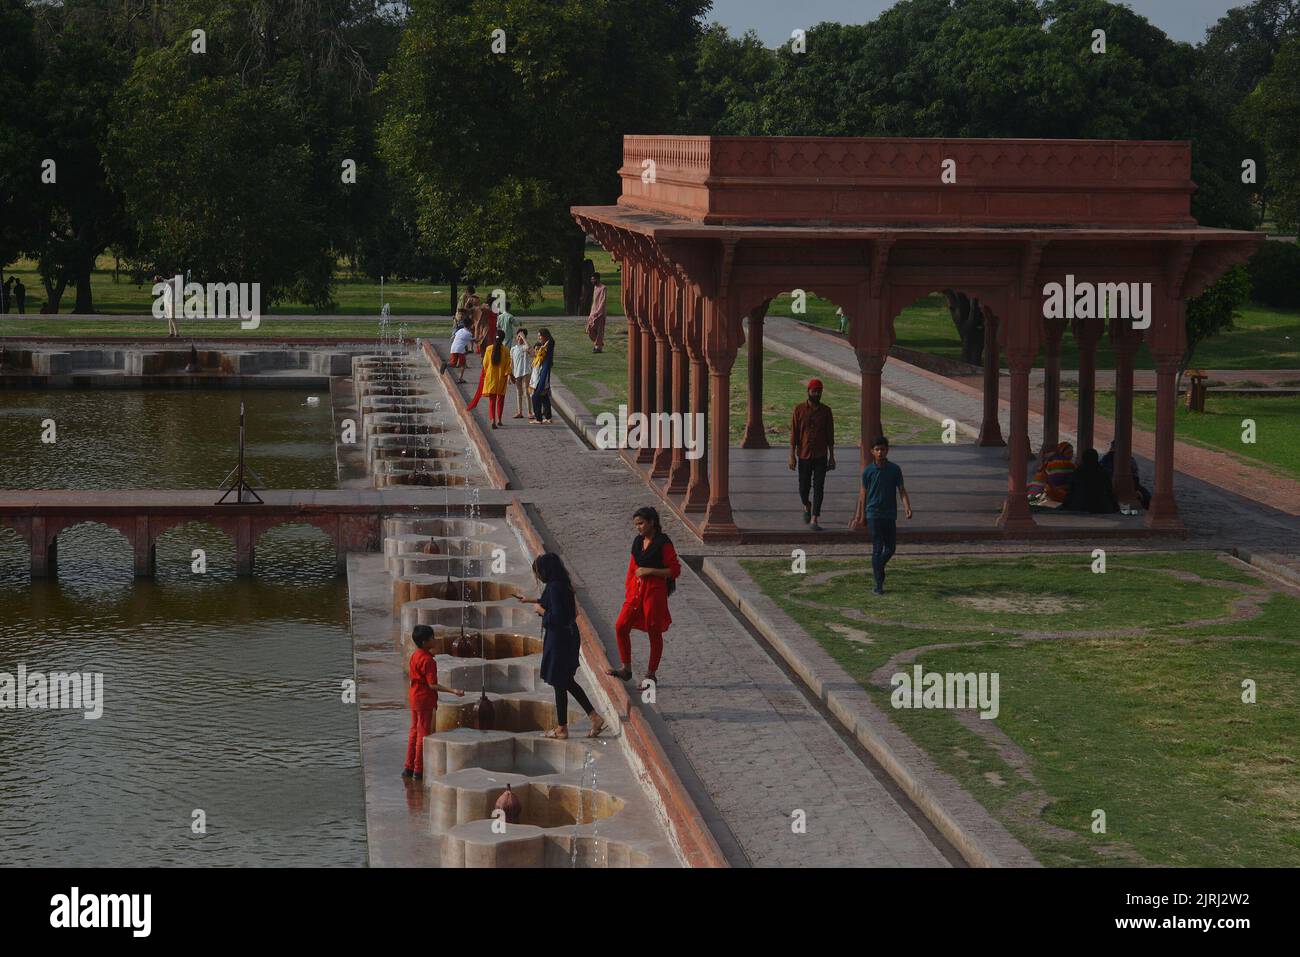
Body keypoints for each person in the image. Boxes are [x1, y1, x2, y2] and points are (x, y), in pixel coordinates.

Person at [514, 553, 606, 740]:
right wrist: (530, 600)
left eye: (539, 572)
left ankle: (589, 718)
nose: (539, 576)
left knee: (561, 680)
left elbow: (557, 617)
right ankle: (565, 727)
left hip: (560, 640)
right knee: (561, 681)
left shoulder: (555, 588)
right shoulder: (561, 584)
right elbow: (568, 611)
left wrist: (541, 611)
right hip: (567, 637)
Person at [607, 506, 681, 688]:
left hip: (654, 592)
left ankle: (651, 674)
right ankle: (626, 668)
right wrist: (629, 589)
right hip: (636, 591)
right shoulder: (638, 542)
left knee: (653, 629)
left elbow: (674, 570)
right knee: (621, 625)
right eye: (636, 524)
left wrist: (650, 571)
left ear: (652, 523)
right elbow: (632, 568)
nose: (638, 527)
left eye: (641, 523)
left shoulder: (663, 543)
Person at [403, 624, 465, 782]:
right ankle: (418, 769)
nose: (435, 640)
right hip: (424, 698)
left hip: (414, 696)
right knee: (423, 733)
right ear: (424, 642)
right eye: (432, 638)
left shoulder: (415, 655)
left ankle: (408, 767)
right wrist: (454, 691)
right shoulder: (428, 660)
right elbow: (432, 685)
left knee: (414, 731)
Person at [862, 436, 912, 595]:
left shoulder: (894, 469)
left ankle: (878, 566)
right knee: (877, 547)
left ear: (887, 450)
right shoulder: (868, 471)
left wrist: (907, 507)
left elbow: (902, 490)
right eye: (877, 449)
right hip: (873, 514)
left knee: (890, 548)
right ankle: (879, 583)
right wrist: (861, 514)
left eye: (882, 449)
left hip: (889, 514)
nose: (880, 452)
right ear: (872, 452)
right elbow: (863, 494)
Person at [789, 378, 836, 530]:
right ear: (808, 392)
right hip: (803, 455)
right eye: (814, 391)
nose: (816, 394)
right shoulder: (799, 410)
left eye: (819, 391)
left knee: (819, 487)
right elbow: (794, 434)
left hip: (820, 455)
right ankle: (806, 504)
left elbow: (830, 435)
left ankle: (814, 518)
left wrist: (832, 456)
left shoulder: (826, 411)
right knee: (803, 487)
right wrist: (792, 456)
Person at [468, 329, 510, 428]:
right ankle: (499, 419)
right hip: (501, 379)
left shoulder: (489, 349)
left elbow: (485, 364)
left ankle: (492, 420)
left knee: (492, 401)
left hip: (491, 378)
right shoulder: (506, 350)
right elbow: (508, 366)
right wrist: (509, 375)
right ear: (503, 339)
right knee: (500, 399)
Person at [1062, 448, 1120, 513]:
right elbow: (1109, 492)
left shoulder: (1078, 472)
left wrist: (1065, 505)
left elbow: (1070, 491)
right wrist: (1115, 507)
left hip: (1079, 506)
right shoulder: (1103, 472)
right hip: (1101, 507)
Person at [1101, 441, 1152, 510]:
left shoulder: (1105, 459)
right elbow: (1135, 476)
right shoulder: (1129, 459)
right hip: (1128, 485)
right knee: (1146, 495)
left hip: (1110, 486)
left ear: (1111, 447)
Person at [530, 328, 555, 424]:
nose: (539, 338)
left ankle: (539, 418)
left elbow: (540, 352)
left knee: (536, 396)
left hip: (543, 375)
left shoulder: (547, 346)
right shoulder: (547, 346)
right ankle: (548, 417)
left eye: (540, 336)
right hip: (543, 374)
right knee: (543, 396)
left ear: (545, 335)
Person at [509, 327, 531, 419]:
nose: (519, 338)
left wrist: (524, 338)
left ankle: (530, 412)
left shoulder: (524, 347)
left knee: (526, 392)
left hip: (525, 372)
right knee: (519, 392)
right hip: (516, 373)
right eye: (518, 336)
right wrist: (510, 375)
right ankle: (520, 412)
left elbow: (529, 347)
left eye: (521, 337)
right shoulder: (513, 349)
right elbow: (511, 363)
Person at [586, 273, 607, 353]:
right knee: (590, 329)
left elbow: (603, 301)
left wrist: (598, 311)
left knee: (599, 331)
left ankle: (598, 347)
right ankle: (599, 343)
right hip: (593, 312)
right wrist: (592, 313)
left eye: (593, 279)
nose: (592, 281)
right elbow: (594, 301)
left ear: (597, 279)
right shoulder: (595, 288)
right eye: (591, 279)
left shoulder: (603, 288)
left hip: (600, 313)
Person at [448, 318, 474, 383]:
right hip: (460, 350)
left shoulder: (460, 330)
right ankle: (460, 378)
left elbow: (453, 337)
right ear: (470, 325)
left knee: (453, 364)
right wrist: (480, 338)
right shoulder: (469, 333)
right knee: (463, 365)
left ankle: (446, 364)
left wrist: (451, 341)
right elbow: (474, 340)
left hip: (453, 348)